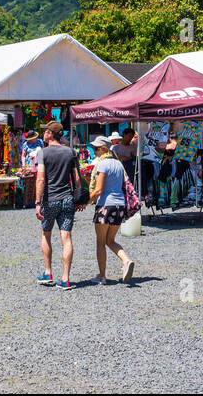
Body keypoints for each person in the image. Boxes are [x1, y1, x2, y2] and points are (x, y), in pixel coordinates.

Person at [34, 121, 81, 290]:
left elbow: (40, 179)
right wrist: (78, 198)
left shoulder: (43, 153)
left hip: (49, 199)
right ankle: (66, 278)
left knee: (46, 234)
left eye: (45, 131)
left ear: (50, 134)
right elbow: (76, 178)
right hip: (67, 198)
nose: (44, 134)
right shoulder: (70, 152)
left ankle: (48, 273)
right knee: (66, 236)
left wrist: (38, 202)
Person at [88, 136, 135, 286]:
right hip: (119, 205)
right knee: (110, 240)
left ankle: (102, 276)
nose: (94, 151)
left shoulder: (103, 164)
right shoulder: (118, 164)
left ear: (103, 149)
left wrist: (84, 202)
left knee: (101, 242)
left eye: (96, 149)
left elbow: (99, 189)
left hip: (105, 206)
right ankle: (126, 260)